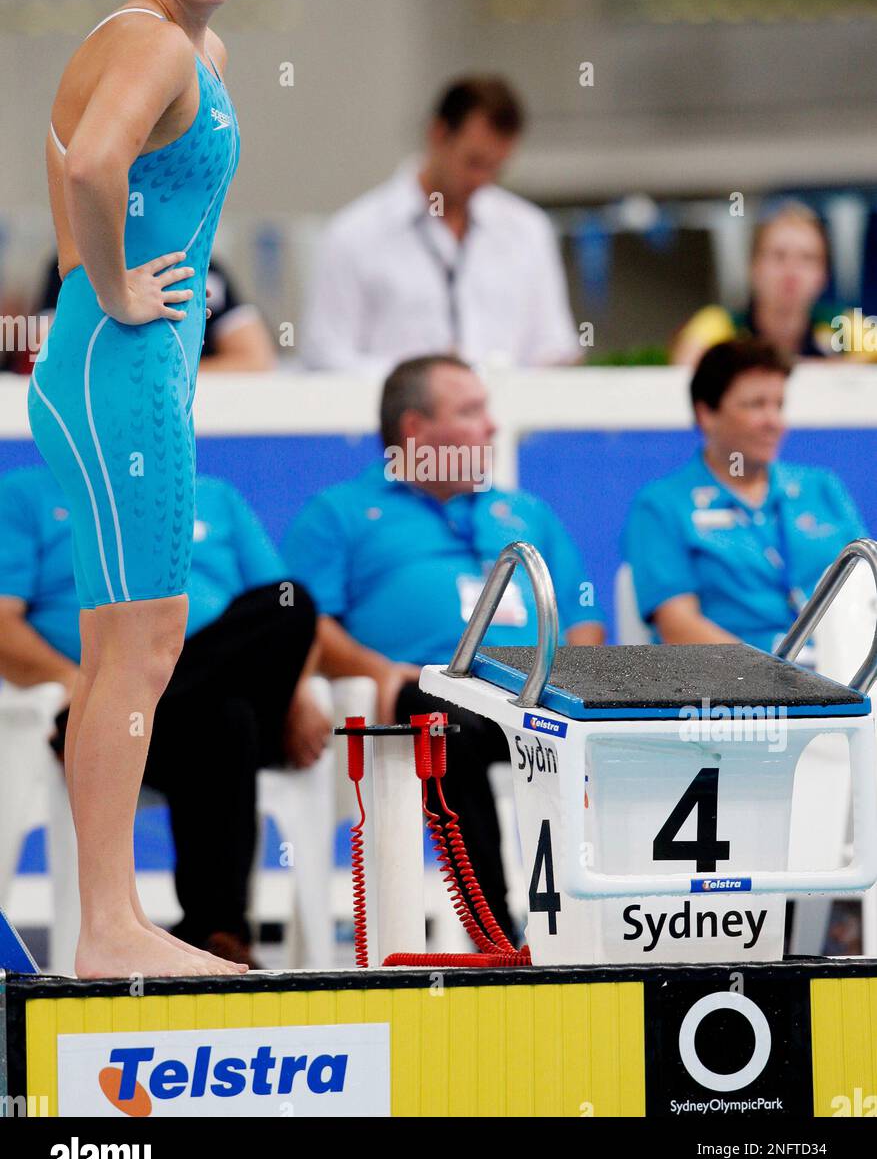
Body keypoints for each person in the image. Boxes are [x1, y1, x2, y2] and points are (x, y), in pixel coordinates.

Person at [26, 0, 251, 977]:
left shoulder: (179, 46)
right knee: (148, 642)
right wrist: (111, 293)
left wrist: (86, 289)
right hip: (120, 373)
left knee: (118, 645)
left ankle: (108, 916)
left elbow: (63, 152)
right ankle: (111, 923)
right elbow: (98, 161)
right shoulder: (155, 41)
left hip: (109, 371)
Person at [282, 354, 604, 939]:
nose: (492, 426)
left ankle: (604, 925)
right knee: (445, 720)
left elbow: (582, 620)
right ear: (415, 430)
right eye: (471, 411)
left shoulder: (525, 511)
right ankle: (494, 934)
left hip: (538, 696)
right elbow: (306, 626)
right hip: (426, 692)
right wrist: (379, 670)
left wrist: (576, 681)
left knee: (619, 728)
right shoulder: (340, 514)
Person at [0, 466, 326, 967]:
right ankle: (217, 929)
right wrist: (77, 685)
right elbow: (2, 623)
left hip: (186, 698)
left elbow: (278, 599)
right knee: (226, 718)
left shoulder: (213, 495)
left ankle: (211, 930)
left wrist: (298, 691)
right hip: (117, 696)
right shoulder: (26, 495)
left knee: (290, 606)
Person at [301, 78, 581, 375]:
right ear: (438, 134)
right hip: (399, 418)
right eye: (473, 162)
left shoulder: (528, 229)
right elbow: (324, 358)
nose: (482, 180)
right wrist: (421, 380)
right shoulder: (354, 235)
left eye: (496, 168)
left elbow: (554, 345)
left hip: (508, 417)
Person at [623, 339, 867, 651]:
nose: (774, 422)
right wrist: (779, 677)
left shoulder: (822, 487)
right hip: (735, 692)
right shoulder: (660, 506)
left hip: (849, 678)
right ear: (706, 414)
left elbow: (868, 593)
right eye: (755, 405)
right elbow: (678, 626)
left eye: (778, 405)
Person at [7, 253, 276, 376]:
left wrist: (163, 379)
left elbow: (256, 358)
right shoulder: (72, 270)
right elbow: (48, 356)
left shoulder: (198, 268)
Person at [670, 203, 840, 366]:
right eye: (778, 255)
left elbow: (868, 356)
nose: (792, 271)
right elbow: (687, 366)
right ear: (754, 267)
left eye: (807, 258)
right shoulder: (721, 324)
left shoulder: (843, 326)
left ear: (824, 274)